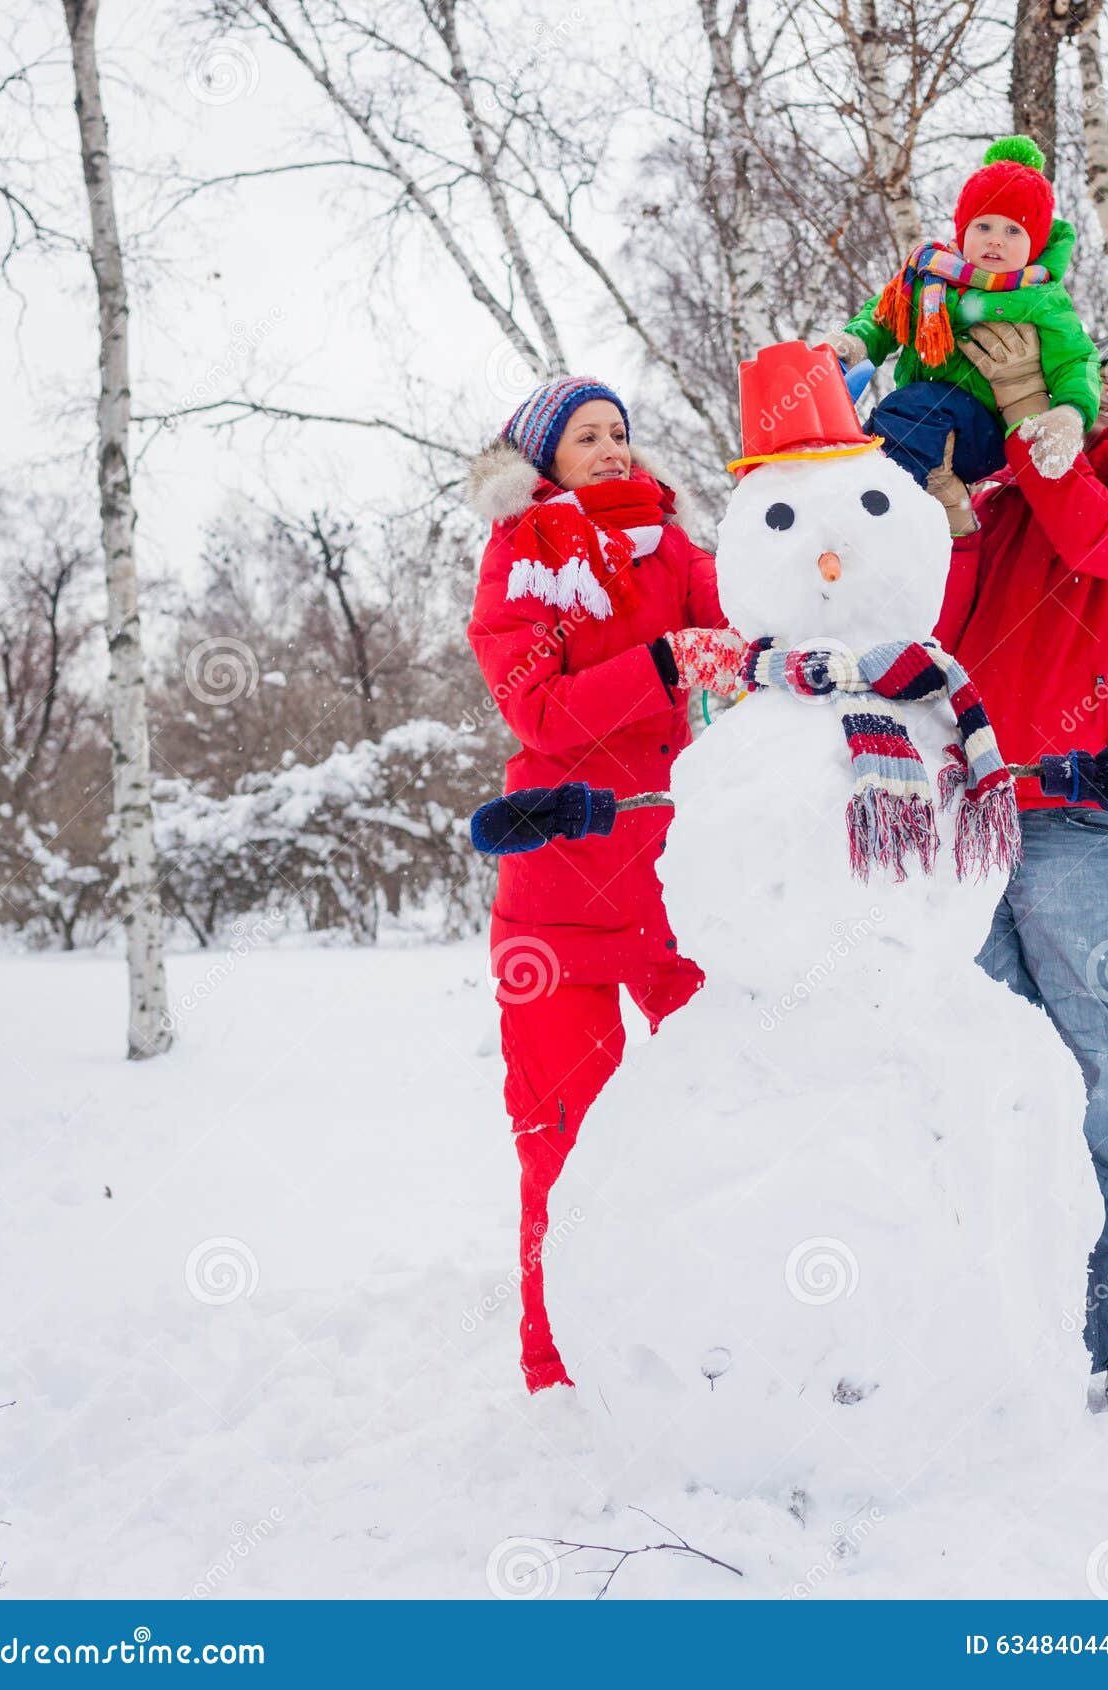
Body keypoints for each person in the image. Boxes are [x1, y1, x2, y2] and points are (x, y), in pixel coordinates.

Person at [929, 322, 1108, 1421]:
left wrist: (1035, 440)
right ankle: (979, 1315)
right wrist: (956, 520)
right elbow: (946, 630)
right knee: (969, 1069)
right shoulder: (1014, 497)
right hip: (967, 815)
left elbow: (1095, 540)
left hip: (1078, 825)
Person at [467, 375, 742, 1393]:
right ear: (545, 460)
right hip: (559, 902)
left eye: (622, 432)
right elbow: (538, 712)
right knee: (562, 1142)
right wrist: (667, 670)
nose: (614, 448)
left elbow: (750, 631)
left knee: (731, 1114)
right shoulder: (523, 558)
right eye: (588, 436)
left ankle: (706, 1326)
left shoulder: (674, 549)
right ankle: (559, 1364)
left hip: (681, 894)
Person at [825, 135, 1100, 504]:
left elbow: (1076, 360)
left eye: (1013, 230)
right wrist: (855, 343)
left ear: (1034, 244)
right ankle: (854, 482)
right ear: (963, 231)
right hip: (916, 422)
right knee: (886, 422)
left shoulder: (1044, 300)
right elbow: (884, 316)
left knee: (918, 406)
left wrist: (1070, 413)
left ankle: (876, 495)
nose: (996, 241)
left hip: (985, 434)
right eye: (983, 227)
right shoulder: (930, 279)